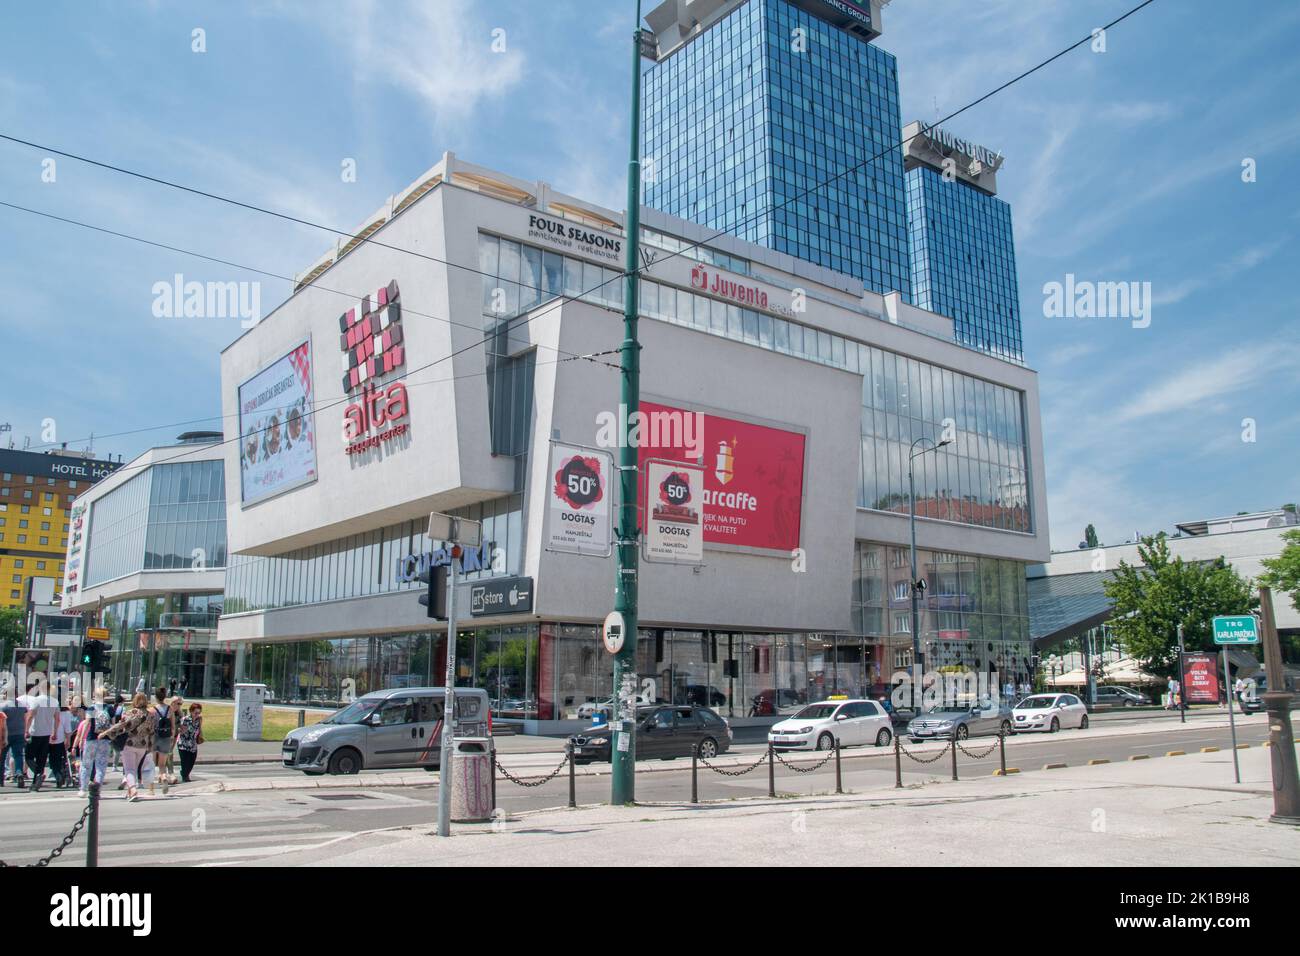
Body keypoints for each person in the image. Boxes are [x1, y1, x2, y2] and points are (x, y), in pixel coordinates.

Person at [98, 693, 156, 802]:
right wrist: (150, 746)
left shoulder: (131, 712)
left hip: (129, 744)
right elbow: (152, 732)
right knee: (134, 768)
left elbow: (121, 725)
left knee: (129, 769)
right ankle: (129, 792)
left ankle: (133, 790)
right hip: (142, 746)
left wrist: (106, 733)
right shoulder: (150, 715)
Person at [75, 690, 114, 798]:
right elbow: (113, 725)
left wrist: (82, 739)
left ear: (94, 695)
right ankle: (97, 790)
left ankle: (83, 789)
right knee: (100, 766)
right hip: (105, 739)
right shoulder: (110, 708)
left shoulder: (91, 708)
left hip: (91, 738)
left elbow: (87, 723)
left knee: (86, 764)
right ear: (105, 695)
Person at [24, 682, 59, 792]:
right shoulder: (54, 701)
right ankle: (36, 782)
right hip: (46, 733)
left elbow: (30, 716)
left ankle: (38, 774)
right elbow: (57, 719)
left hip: (35, 732)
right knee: (41, 759)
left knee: (28, 757)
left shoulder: (36, 700)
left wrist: (26, 730)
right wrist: (55, 732)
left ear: (40, 688)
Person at [152, 693, 180, 793]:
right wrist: (171, 737)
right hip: (166, 738)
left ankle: (152, 786)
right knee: (162, 764)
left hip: (155, 737)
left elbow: (150, 725)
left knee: (153, 762)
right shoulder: (170, 710)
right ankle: (163, 776)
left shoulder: (153, 709)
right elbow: (173, 727)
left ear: (156, 697)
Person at [1, 692, 26, 788]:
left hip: (6, 734)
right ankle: (19, 772)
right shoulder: (22, 706)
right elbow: (25, 718)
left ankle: (1, 780)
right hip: (19, 733)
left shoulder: (4, 706)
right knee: (18, 755)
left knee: (2, 757)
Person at [177, 702, 204, 783]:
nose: (197, 714)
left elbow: (199, 729)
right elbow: (180, 731)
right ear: (191, 711)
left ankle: (185, 774)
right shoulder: (185, 719)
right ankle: (185, 776)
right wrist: (181, 731)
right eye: (195, 713)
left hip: (193, 744)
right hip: (183, 744)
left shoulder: (199, 720)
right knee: (185, 762)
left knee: (192, 761)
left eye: (199, 713)